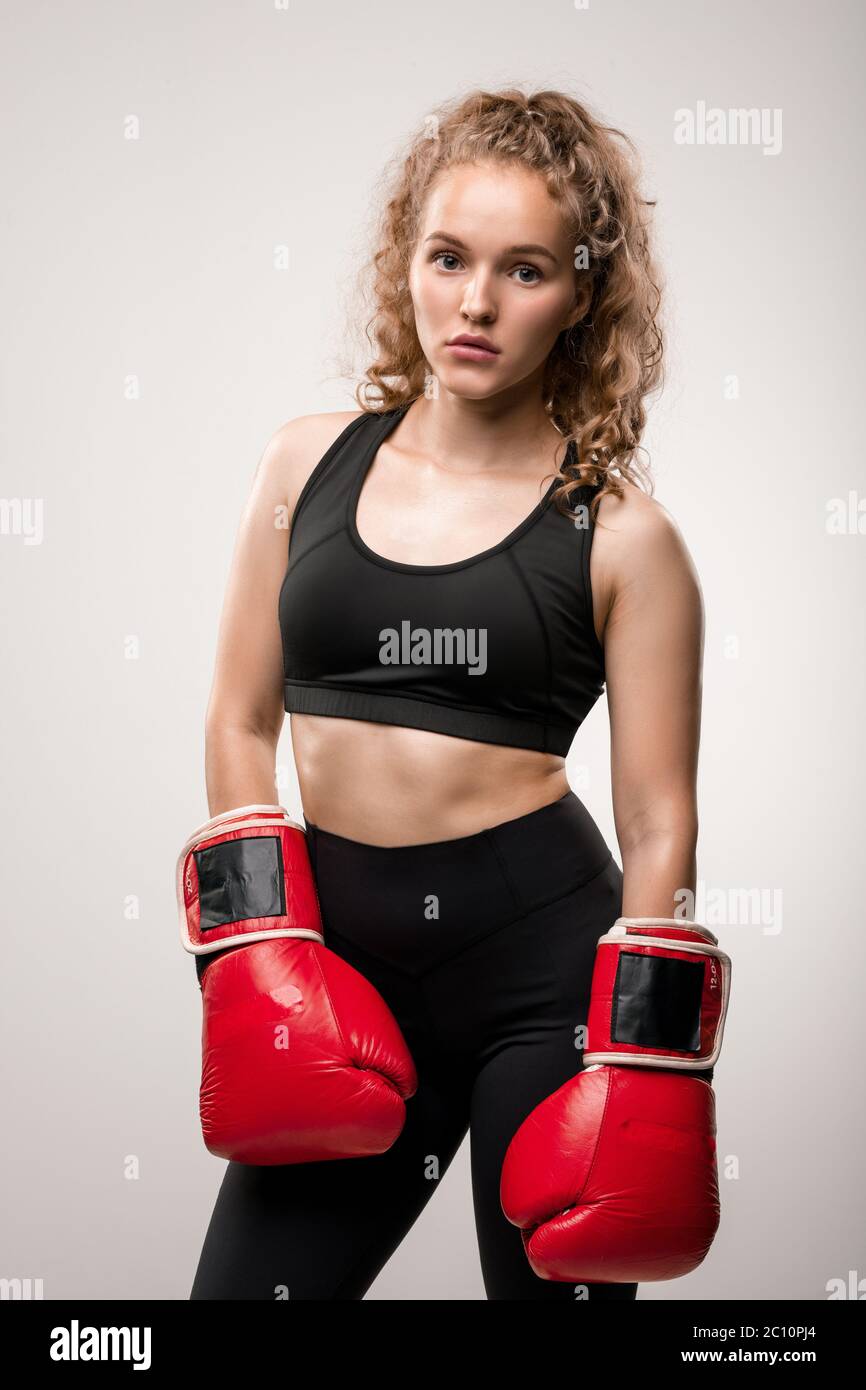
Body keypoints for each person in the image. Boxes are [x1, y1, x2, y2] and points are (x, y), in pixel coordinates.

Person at [187, 86, 709, 1301]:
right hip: (337, 960)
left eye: (523, 270)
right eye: (448, 258)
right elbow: (237, 719)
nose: (474, 304)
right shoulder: (302, 461)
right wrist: (264, 951)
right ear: (406, 264)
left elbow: (656, 822)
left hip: (544, 975)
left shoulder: (625, 536)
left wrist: (643, 1054)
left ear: (581, 296)